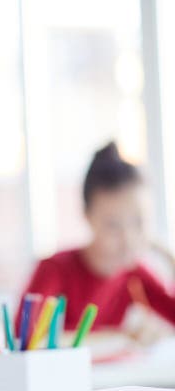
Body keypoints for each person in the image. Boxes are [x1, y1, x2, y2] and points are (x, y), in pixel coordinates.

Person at [17, 141, 175, 338]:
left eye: (138, 222)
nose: (128, 238)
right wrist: (119, 336)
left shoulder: (135, 273)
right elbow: (22, 337)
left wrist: (168, 255)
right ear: (87, 217)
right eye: (113, 225)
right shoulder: (54, 269)